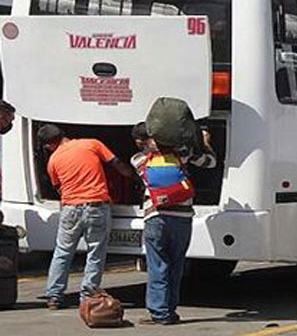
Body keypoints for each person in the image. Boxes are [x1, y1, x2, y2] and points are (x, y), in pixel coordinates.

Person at [131, 122, 217, 325]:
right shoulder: (182, 155)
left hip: (156, 217)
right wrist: (205, 143)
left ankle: (160, 313)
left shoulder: (139, 160)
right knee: (176, 264)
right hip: (183, 217)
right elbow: (211, 162)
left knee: (158, 264)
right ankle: (170, 309)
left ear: (139, 141)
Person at [38, 124, 132, 309]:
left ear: (49, 146)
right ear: (63, 135)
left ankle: (54, 296)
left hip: (70, 209)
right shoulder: (92, 144)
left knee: (63, 252)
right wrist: (136, 178)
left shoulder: (53, 161)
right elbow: (117, 164)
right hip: (97, 206)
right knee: (95, 252)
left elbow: (59, 188)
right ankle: (88, 297)